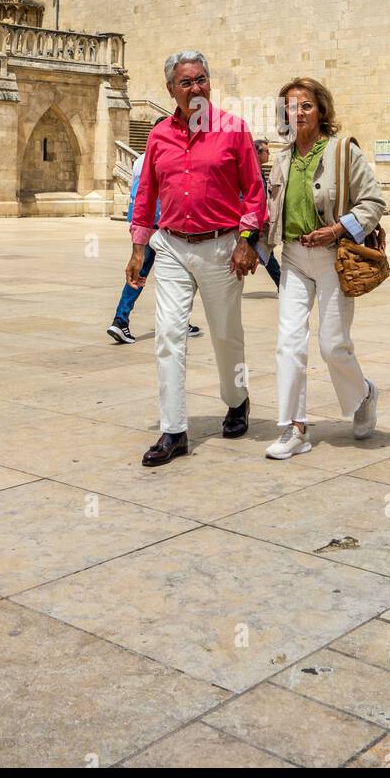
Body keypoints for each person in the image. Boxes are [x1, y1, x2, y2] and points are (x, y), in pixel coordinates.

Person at [126, 51, 267, 467]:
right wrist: (138, 248)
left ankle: (236, 401)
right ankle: (174, 430)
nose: (197, 88)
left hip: (221, 247)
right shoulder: (158, 137)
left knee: (226, 334)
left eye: (202, 79)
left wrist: (247, 240)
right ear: (171, 90)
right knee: (169, 334)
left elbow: (255, 193)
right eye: (186, 82)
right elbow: (146, 194)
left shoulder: (233, 130)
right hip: (170, 246)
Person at [262, 77, 385, 459]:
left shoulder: (342, 152)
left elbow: (373, 202)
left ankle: (363, 393)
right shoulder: (281, 160)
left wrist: (336, 228)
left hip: (335, 255)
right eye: (290, 107)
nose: (297, 113)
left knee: (332, 344)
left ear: (321, 111)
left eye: (305, 106)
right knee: (288, 342)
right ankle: (295, 427)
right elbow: (271, 212)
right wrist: (252, 246)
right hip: (295, 258)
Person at [107, 147, 202, 344]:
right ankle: (180, 321)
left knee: (139, 275)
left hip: (145, 226)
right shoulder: (170, 156)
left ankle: (120, 319)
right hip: (166, 226)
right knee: (182, 276)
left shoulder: (140, 160)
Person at [252, 139, 282, 288]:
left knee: (267, 253)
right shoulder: (251, 172)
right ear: (258, 153)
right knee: (266, 254)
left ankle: (281, 284)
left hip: (261, 222)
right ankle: (282, 284)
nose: (269, 154)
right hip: (254, 224)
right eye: (266, 151)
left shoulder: (259, 172)